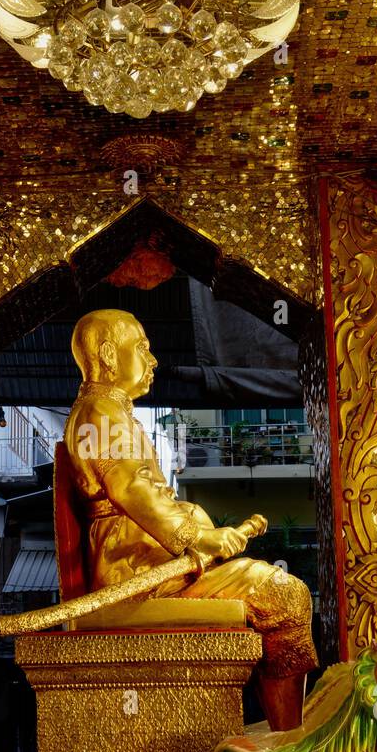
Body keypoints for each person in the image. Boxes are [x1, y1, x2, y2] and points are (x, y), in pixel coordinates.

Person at [59, 308, 317, 730]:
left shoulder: (108, 410)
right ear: (108, 354)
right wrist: (194, 537)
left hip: (152, 565)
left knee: (277, 592)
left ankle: (283, 738)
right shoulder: (99, 411)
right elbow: (132, 488)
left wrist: (204, 532)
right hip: (135, 575)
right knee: (284, 595)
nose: (153, 359)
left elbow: (145, 492)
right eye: (142, 348)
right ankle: (288, 746)